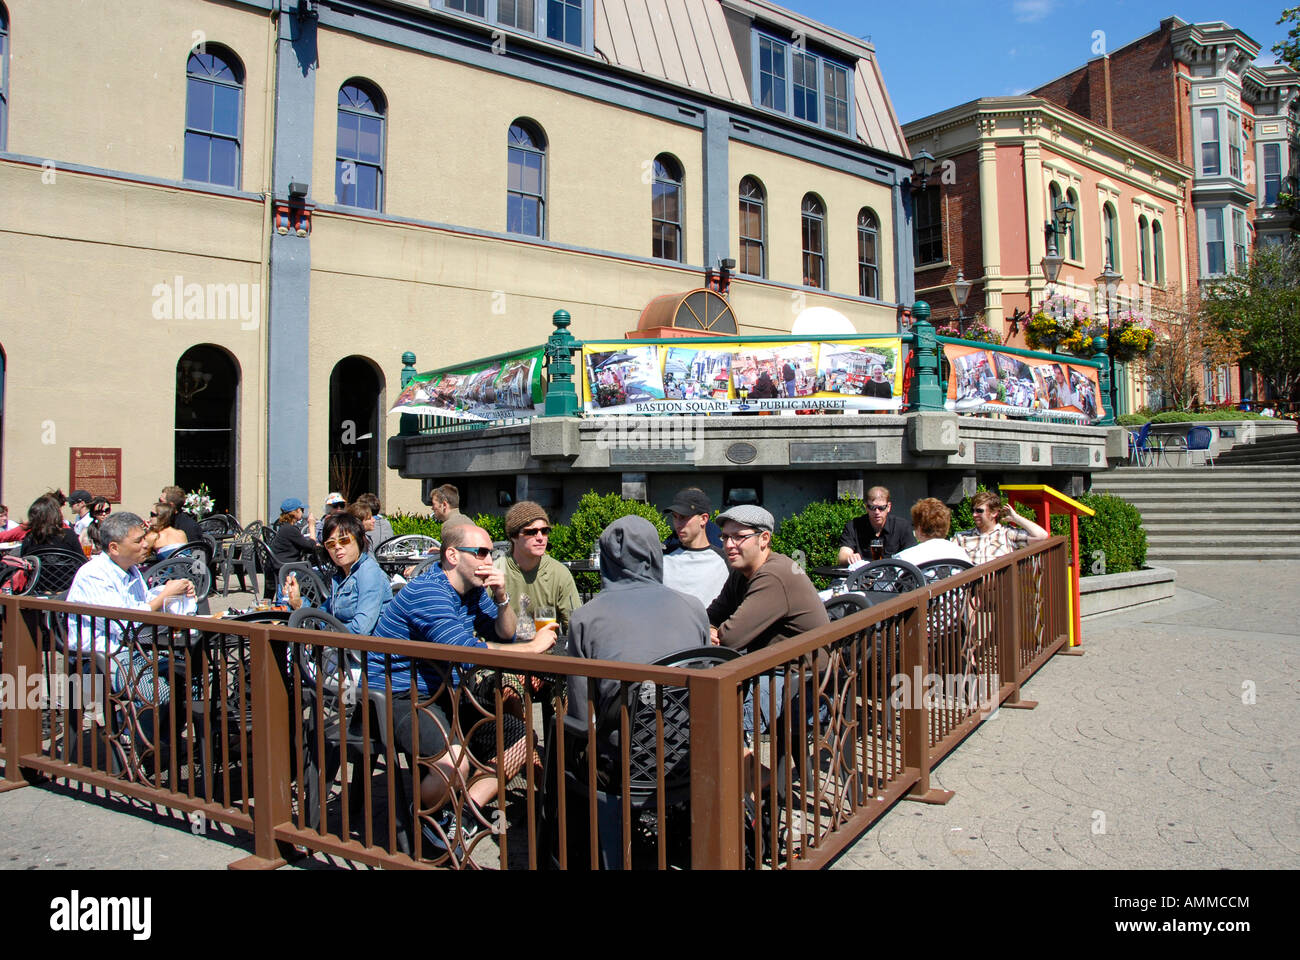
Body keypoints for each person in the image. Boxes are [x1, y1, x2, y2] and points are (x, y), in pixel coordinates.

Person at [369, 523, 555, 852]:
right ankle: (424, 811)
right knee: (456, 761)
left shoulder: (471, 591)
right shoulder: (429, 592)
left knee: (522, 737)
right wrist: (534, 649)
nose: (489, 560)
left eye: (491, 552)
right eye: (481, 552)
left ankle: (464, 812)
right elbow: (465, 654)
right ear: (453, 555)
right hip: (401, 693)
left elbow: (505, 634)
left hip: (447, 692)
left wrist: (500, 598)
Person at [566, 515, 709, 727]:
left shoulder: (584, 618)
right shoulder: (694, 607)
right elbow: (705, 682)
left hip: (620, 750)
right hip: (688, 742)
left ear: (605, 559)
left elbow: (582, 716)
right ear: (654, 555)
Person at [65, 511, 196, 705]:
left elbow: (141, 603)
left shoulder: (130, 570)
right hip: (100, 660)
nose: (146, 544)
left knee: (193, 681)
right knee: (161, 691)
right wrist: (164, 596)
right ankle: (131, 733)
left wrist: (174, 590)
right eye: (138, 541)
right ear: (114, 548)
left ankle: (162, 735)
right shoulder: (94, 574)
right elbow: (125, 623)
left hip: (135, 651)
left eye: (144, 538)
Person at [285, 510, 390, 634]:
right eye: (330, 544)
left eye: (344, 540)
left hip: (364, 650)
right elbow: (322, 618)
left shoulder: (369, 573)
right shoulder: (340, 576)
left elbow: (361, 630)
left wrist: (327, 636)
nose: (337, 547)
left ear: (359, 540)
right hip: (340, 647)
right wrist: (298, 603)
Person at [493, 500, 580, 632]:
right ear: (513, 537)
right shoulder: (496, 571)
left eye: (544, 531)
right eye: (531, 532)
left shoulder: (559, 573)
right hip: (505, 650)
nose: (540, 537)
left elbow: (576, 627)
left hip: (546, 650)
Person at [661, 487, 729, 610]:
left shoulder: (725, 561)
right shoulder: (662, 559)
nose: (677, 524)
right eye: (675, 517)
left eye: (683, 517)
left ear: (703, 519)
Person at [950, 491, 1049, 565]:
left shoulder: (1007, 534)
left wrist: (1016, 518)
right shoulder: (961, 537)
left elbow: (1041, 536)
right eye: (973, 510)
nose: (974, 515)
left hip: (999, 590)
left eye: (979, 511)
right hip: (971, 590)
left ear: (994, 513)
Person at [837, 486, 915, 566]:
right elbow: (843, 555)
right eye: (872, 507)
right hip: (862, 576)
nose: (877, 512)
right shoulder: (853, 526)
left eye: (881, 508)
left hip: (894, 576)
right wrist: (850, 558)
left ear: (888, 507)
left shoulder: (902, 526)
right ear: (866, 507)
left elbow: (912, 556)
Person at [893, 498, 972, 567]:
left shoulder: (904, 559)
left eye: (914, 524)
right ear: (947, 527)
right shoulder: (962, 555)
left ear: (919, 528)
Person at [268, 497, 317, 592]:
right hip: (287, 566)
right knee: (317, 574)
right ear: (296, 512)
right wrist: (312, 526)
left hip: (278, 563)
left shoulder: (284, 527)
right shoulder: (290, 529)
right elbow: (311, 546)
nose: (303, 512)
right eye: (302, 510)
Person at [18, 495, 83, 556]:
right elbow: (82, 560)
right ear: (57, 515)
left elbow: (23, 561)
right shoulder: (69, 535)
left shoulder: (30, 538)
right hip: (68, 568)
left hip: (39, 568)